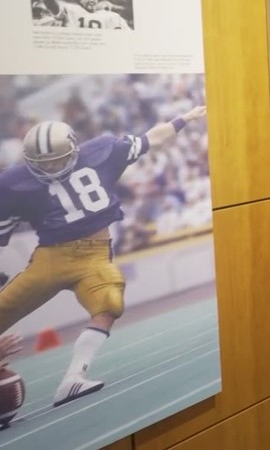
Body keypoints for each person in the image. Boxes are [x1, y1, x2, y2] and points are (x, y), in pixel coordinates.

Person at [0, 106, 207, 408]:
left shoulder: (102, 151)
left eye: (57, 158)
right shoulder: (13, 183)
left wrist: (183, 119)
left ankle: (74, 378)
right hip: (51, 258)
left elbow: (150, 138)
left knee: (110, 303)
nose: (51, 167)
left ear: (74, 148)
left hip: (94, 254)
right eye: (42, 162)